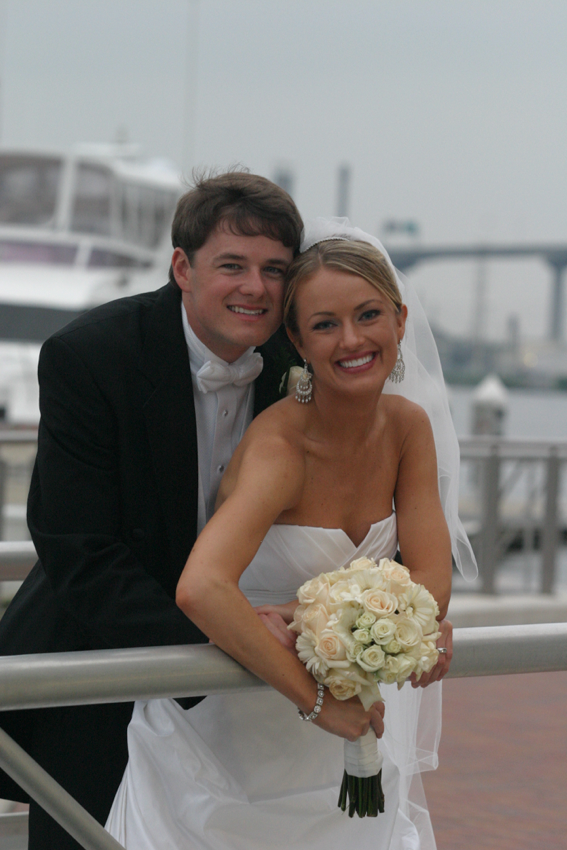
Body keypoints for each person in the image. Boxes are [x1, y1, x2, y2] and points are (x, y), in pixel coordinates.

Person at [105, 219, 477, 849]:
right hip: (237, 741)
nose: (352, 339)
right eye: (325, 325)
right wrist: (317, 700)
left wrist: (409, 622)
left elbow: (431, 575)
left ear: (401, 320)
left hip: (355, 736)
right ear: (298, 342)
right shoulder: (282, 446)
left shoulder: (408, 427)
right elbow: (200, 588)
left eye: (368, 315)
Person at [0, 170, 304, 849]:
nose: (254, 288)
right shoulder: (90, 355)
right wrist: (224, 643)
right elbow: (77, 548)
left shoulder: (299, 362)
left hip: (255, 706)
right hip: (103, 673)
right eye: (232, 265)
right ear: (181, 268)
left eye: (274, 270)